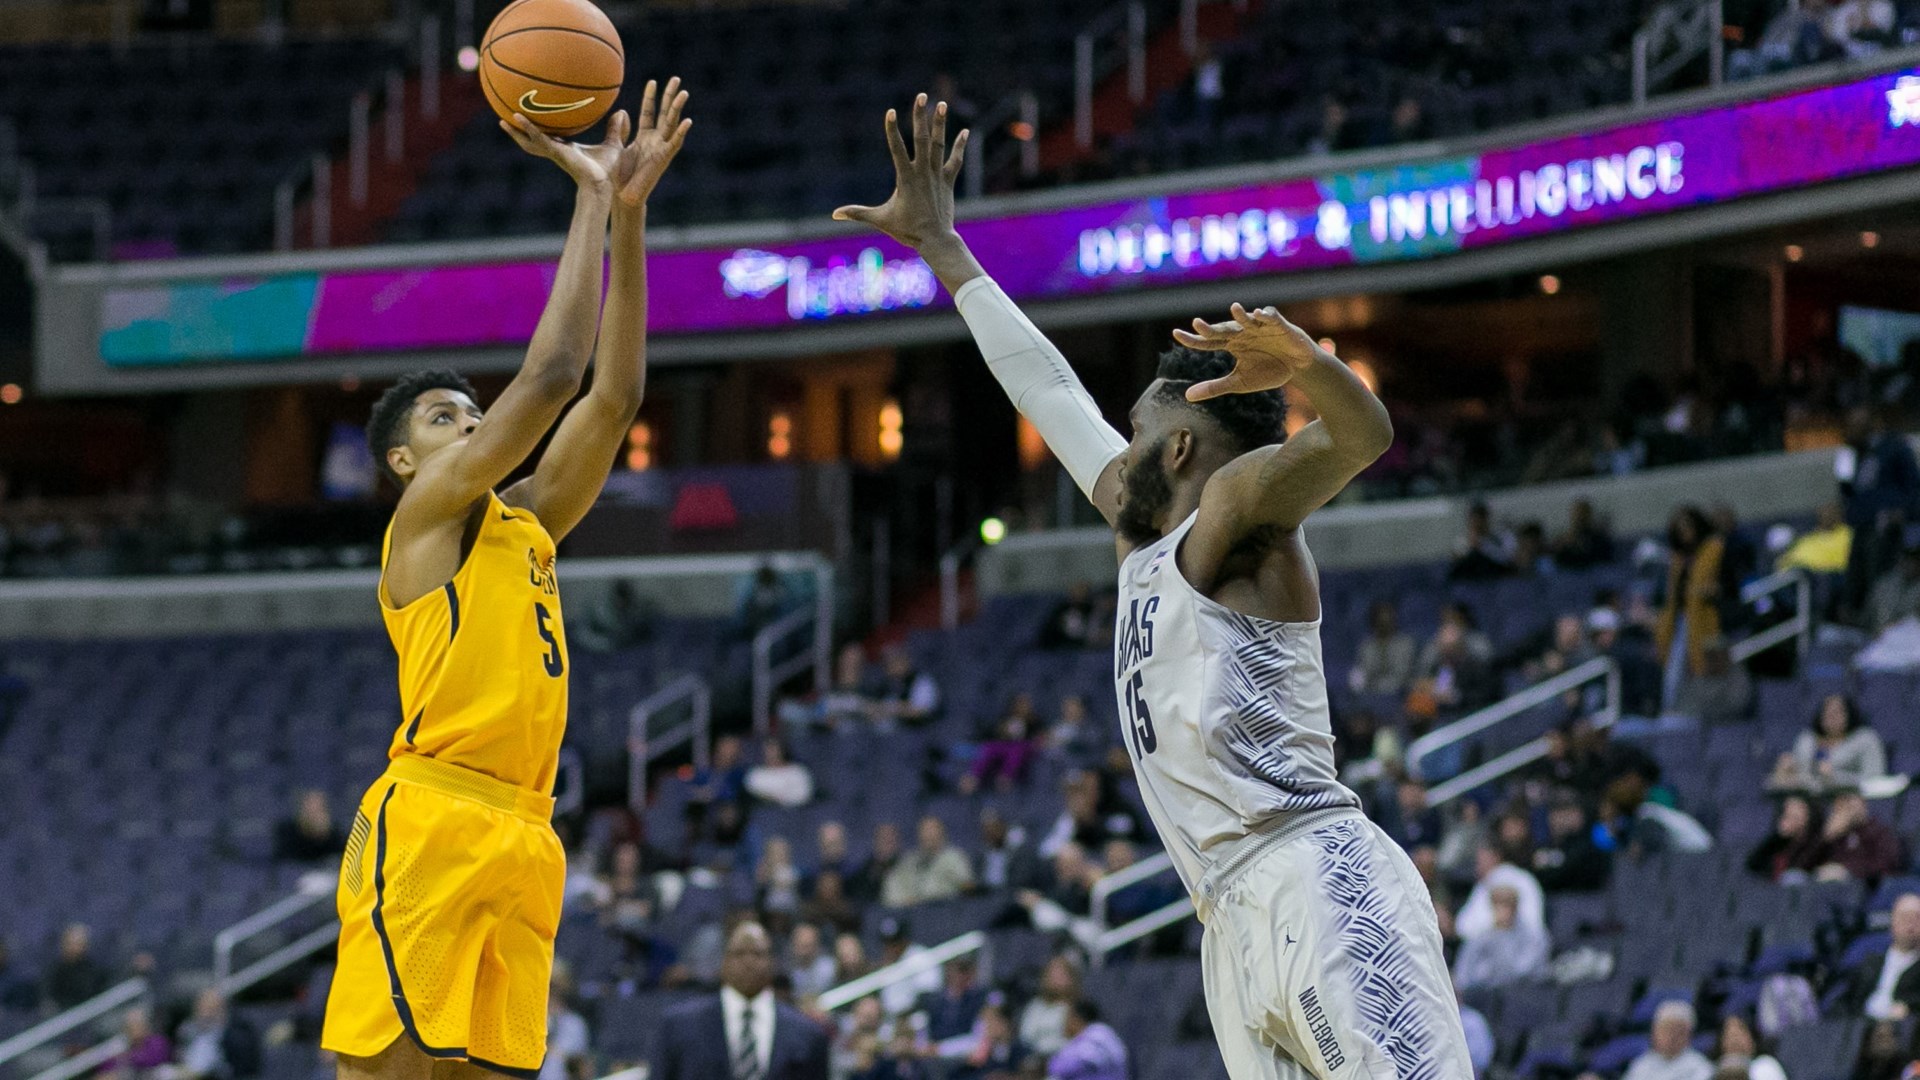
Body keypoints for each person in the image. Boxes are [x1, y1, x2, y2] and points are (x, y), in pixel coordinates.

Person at [834, 93, 1473, 1076]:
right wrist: (947, 254)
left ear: (1177, 445)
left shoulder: (1232, 509)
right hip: (1228, 912)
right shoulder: (1151, 536)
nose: (1113, 444)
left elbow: (1363, 437)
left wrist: (1306, 363)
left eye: (1132, 430)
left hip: (1313, 874)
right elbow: (1048, 390)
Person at [323, 83, 692, 1080]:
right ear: (405, 463)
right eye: (443, 419)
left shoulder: (525, 527)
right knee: (388, 1070)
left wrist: (628, 210)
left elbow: (611, 397)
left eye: (465, 410)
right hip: (434, 814)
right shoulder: (425, 519)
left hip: (526, 833)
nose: (466, 423)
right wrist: (584, 192)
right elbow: (552, 375)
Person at [652, 921, 831, 1080]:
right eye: (739, 953)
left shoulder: (809, 1035)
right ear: (723, 962)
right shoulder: (678, 1027)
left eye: (758, 954)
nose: (749, 962)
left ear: (773, 963)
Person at [1841, 405, 1920, 619]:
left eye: (1857, 424)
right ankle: (1852, 613)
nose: (1852, 429)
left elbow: (1913, 487)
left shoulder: (1895, 448)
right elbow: (1847, 491)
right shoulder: (1851, 453)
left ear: (1871, 423)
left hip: (1888, 523)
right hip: (1861, 524)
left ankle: (1880, 615)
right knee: (1854, 566)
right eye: (1850, 425)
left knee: (1876, 556)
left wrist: (1901, 511)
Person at [1656, 505, 1729, 708]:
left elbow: (1729, 584)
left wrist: (1713, 591)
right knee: (1673, 669)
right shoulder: (1678, 558)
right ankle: (1670, 710)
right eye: (1680, 529)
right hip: (1679, 618)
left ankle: (1694, 712)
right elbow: (1671, 593)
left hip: (1705, 618)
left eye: (1688, 527)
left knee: (1699, 666)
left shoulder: (1714, 548)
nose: (1684, 533)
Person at [1770, 694, 1888, 795]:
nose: (1831, 716)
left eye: (1837, 711)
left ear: (1849, 714)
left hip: (1849, 798)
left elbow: (1874, 781)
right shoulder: (1807, 739)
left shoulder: (1865, 739)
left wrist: (1836, 777)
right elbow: (1800, 780)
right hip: (1809, 802)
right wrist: (1783, 774)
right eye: (1826, 711)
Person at [1452, 885, 1551, 990]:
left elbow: (1525, 970)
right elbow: (1464, 971)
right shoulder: (1482, 936)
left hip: (1524, 992)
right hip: (1485, 994)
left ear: (1515, 907)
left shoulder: (1533, 935)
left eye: (1507, 905)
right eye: (1497, 905)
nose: (1502, 911)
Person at [1848, 894, 1920, 1020]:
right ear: (1892, 921)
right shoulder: (1870, 962)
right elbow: (1848, 998)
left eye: (1916, 918)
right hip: (1862, 1026)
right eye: (1905, 917)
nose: (1910, 924)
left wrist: (1910, 1007)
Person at [1455, 844, 1546, 942]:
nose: (1478, 867)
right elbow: (1462, 927)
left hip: (1519, 946)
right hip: (1484, 945)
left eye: (1482, 861)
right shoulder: (1483, 883)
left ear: (1496, 857)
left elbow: (1535, 928)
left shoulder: (1523, 880)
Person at [1809, 790, 1905, 883]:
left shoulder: (1880, 831)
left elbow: (1886, 864)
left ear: (1863, 805)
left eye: (1851, 804)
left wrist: (1846, 871)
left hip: (1868, 886)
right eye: (1843, 805)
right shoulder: (1838, 834)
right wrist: (1826, 837)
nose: (1848, 810)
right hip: (1832, 885)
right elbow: (1808, 865)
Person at [883, 816, 977, 908]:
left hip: (945, 911)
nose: (928, 835)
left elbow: (967, 887)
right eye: (924, 831)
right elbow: (894, 884)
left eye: (932, 830)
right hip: (915, 913)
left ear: (942, 834)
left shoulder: (954, 858)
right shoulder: (910, 860)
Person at [175, 988, 263, 1080]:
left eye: (211, 1009)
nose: (206, 1014)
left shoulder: (237, 1034)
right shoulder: (189, 1030)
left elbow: (241, 1067)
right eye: (202, 1008)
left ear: (221, 1010)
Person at [1622, 1001, 1714, 1080]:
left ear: (1688, 1035)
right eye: (1666, 1030)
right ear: (1654, 1032)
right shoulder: (1641, 1064)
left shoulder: (1700, 1068)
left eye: (1677, 1031)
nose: (1671, 1037)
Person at [1672, 638, 1755, 725]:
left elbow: (1737, 704)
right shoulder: (1700, 680)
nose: (1711, 660)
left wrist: (1707, 708)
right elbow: (1684, 707)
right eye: (1708, 656)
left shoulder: (1738, 677)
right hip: (1698, 728)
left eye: (1715, 656)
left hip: (1732, 727)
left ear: (1725, 656)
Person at [1744, 796, 1823, 882]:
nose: (1790, 817)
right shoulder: (1779, 842)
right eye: (1787, 813)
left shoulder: (1814, 842)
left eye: (1796, 814)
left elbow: (1799, 867)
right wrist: (1777, 835)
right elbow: (1753, 865)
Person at [1046, 1000, 1129, 1080]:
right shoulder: (1105, 1034)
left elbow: (1059, 1068)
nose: (1064, 1024)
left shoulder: (1097, 1036)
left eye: (1067, 1018)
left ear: (1075, 1019)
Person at [1020, 955, 1082, 1061]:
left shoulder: (1077, 1008)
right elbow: (1025, 1037)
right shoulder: (1035, 1006)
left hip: (1067, 1061)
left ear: (1071, 978)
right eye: (1053, 974)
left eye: (1061, 974)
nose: (1056, 978)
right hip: (1036, 1061)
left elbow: (1080, 1041)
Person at [1349, 600, 1417, 696]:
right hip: (1371, 691)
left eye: (1387, 620)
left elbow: (1402, 674)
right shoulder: (1366, 646)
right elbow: (1362, 671)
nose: (1384, 623)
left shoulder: (1405, 644)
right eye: (1380, 621)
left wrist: (1381, 686)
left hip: (1399, 692)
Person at [917, 957, 990, 1042]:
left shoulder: (979, 999)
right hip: (935, 1047)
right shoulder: (932, 1001)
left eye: (965, 971)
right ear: (948, 971)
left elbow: (976, 1034)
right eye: (958, 970)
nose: (960, 976)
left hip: (964, 1048)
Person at [539, 963, 591, 1080]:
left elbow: (582, 1070)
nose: (553, 994)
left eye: (558, 988)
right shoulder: (528, 1021)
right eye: (550, 986)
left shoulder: (575, 1024)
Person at [1775, 500, 1853, 574]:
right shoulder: (1808, 538)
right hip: (1799, 575)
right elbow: (1785, 562)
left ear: (1838, 514)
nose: (1826, 515)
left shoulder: (1848, 535)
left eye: (1830, 512)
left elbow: (1843, 562)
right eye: (1823, 512)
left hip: (1827, 578)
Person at [43, 923, 108, 1010]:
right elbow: (48, 997)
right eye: (70, 943)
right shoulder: (54, 970)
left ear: (85, 946)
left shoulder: (95, 970)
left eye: (78, 944)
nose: (73, 948)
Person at [99, 1004, 172, 1079]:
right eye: (128, 1028)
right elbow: (106, 1067)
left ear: (145, 1026)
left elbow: (153, 1060)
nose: (132, 1031)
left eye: (136, 1026)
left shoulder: (158, 1041)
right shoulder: (122, 1045)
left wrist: (126, 1057)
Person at [275, 789, 345, 863]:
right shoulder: (287, 835)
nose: (313, 816)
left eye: (318, 810)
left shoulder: (337, 839)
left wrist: (323, 836)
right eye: (309, 809)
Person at [1450, 502, 1516, 580]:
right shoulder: (1461, 541)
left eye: (1481, 518)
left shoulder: (1498, 538)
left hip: (1494, 577)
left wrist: (1483, 545)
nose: (1478, 522)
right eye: (1475, 518)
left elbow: (1506, 560)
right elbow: (1456, 563)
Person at [1714, 1014, 1787, 1080]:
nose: (1735, 1040)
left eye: (1740, 1033)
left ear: (1753, 1039)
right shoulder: (1712, 1071)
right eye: (1730, 1035)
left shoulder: (1765, 1066)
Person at [746, 740, 815, 809]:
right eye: (768, 750)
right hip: (765, 813)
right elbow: (754, 795)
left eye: (774, 749)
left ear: (782, 750)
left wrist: (779, 799)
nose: (771, 753)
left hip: (795, 811)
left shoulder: (797, 771)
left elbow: (804, 796)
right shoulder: (755, 773)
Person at [1868, 544, 1920, 633]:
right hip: (1878, 636)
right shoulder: (1884, 584)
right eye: (1907, 560)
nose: (1910, 565)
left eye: (1915, 561)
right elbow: (1871, 615)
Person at [1552, 498, 1614, 570]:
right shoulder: (1564, 540)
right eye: (1577, 514)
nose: (1579, 517)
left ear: (1589, 516)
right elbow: (1558, 562)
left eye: (1583, 514)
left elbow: (1604, 560)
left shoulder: (1599, 538)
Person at [787, 924, 838, 1000]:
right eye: (802, 945)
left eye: (809, 945)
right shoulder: (785, 971)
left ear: (817, 946)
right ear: (793, 945)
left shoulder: (831, 968)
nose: (805, 952)